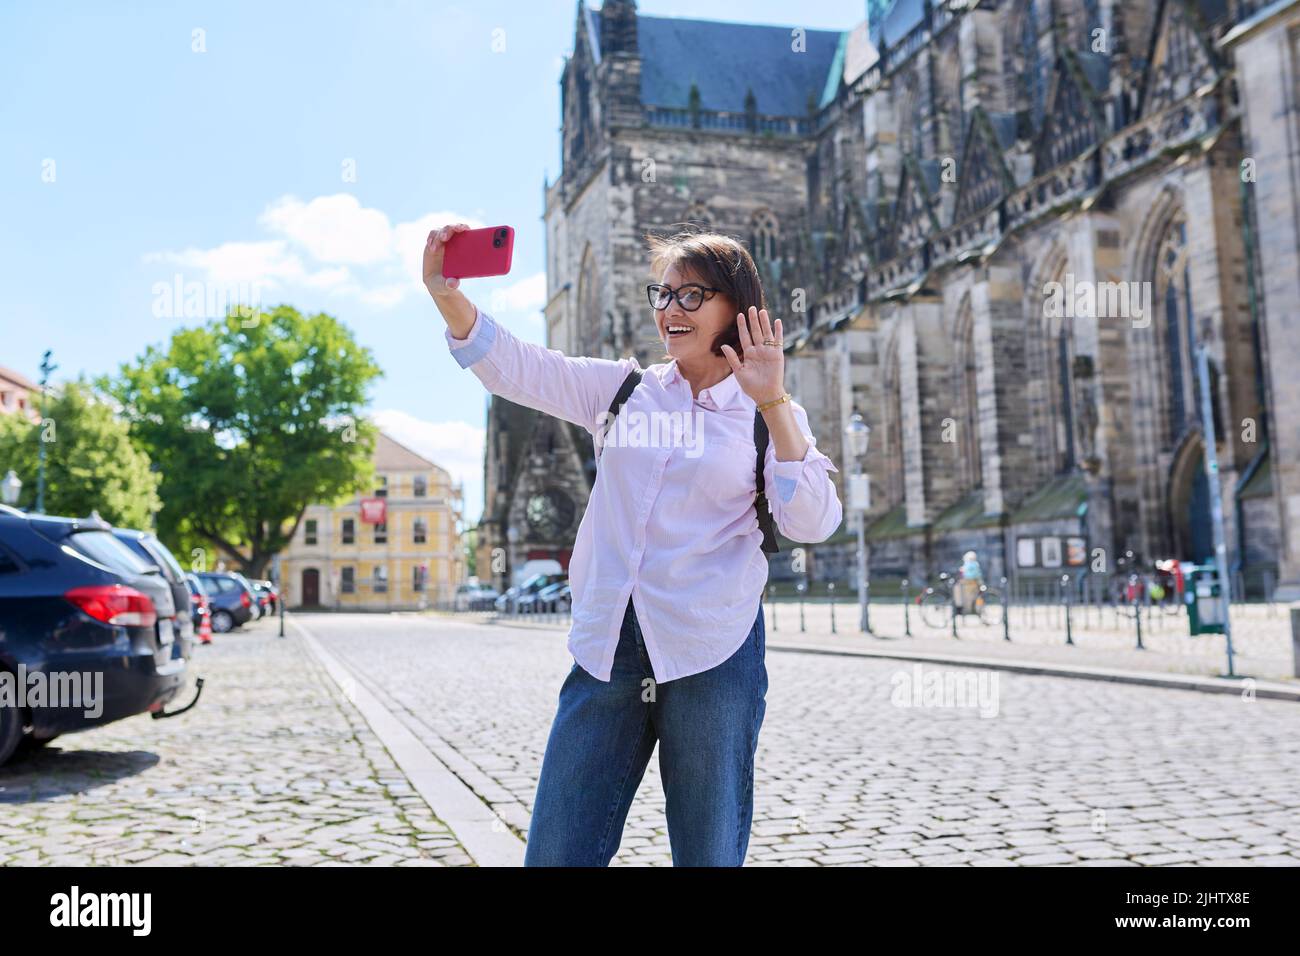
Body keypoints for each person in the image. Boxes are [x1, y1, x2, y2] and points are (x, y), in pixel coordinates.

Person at [424, 224, 842, 866]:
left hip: (713, 650)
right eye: (663, 294)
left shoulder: (765, 413)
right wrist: (446, 293)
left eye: (692, 296)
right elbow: (518, 368)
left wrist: (774, 401)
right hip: (609, 647)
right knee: (558, 853)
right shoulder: (623, 390)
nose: (670, 310)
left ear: (736, 306)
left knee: (708, 855)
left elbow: (813, 519)